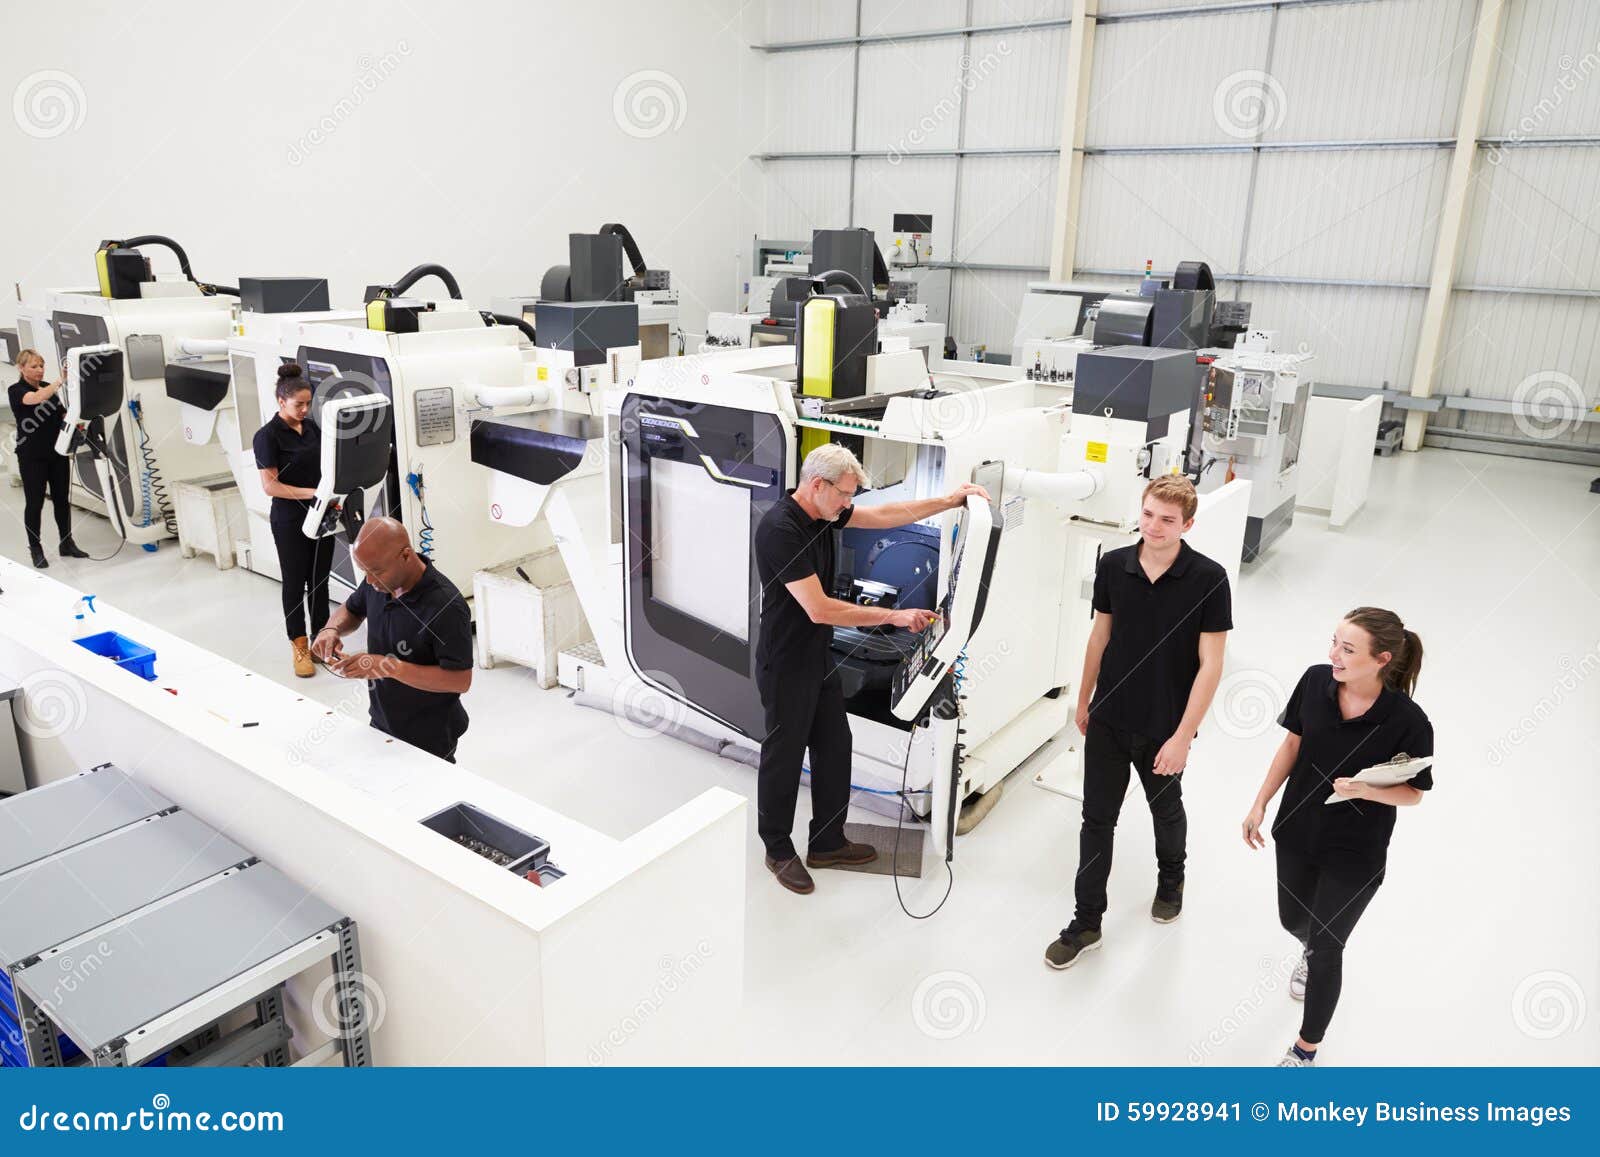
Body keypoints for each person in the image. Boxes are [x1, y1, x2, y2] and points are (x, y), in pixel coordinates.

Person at [753, 442, 989, 895]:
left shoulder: (825, 511)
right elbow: (819, 609)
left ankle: (827, 842)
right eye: (844, 494)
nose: (849, 505)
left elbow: (885, 516)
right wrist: (896, 616)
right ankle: (778, 849)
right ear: (816, 485)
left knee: (835, 747)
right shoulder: (780, 529)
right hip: (786, 662)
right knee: (784, 756)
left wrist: (950, 500)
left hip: (817, 658)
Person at [1046, 475, 1231, 969]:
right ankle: (1086, 921)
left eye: (1168, 520)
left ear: (1187, 524)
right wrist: (1083, 701)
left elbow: (1211, 664)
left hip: (1164, 726)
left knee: (1164, 811)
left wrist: (1184, 737)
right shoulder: (1113, 565)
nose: (1154, 526)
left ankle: (1172, 879)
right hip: (1109, 715)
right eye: (1148, 514)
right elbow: (1099, 637)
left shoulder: (1208, 578)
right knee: (1095, 819)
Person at [1242, 607, 1432, 1068]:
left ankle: (1304, 1051)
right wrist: (1260, 802)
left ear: (1382, 659)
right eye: (1334, 643)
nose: (1334, 655)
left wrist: (1367, 789)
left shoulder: (1410, 722)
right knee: (1294, 921)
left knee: (1328, 945)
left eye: (1348, 649)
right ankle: (1308, 948)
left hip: (1356, 851)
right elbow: (1292, 744)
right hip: (1298, 830)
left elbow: (1414, 796)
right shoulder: (1314, 681)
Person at [311, 517, 473, 762]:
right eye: (364, 571)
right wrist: (330, 629)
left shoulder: (446, 606)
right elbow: (353, 609)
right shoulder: (378, 582)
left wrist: (389, 667)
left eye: (375, 571)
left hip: (430, 738)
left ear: (406, 556)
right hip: (382, 724)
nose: (369, 581)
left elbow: (460, 680)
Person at [253, 363, 334, 677]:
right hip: (290, 519)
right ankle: (299, 645)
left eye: (308, 403)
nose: (304, 409)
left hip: (321, 513)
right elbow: (270, 485)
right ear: (280, 401)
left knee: (319, 581)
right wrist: (313, 493)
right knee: (294, 582)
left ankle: (322, 643)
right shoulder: (267, 436)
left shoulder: (313, 428)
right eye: (298, 404)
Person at [7, 349, 90, 568]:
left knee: (62, 500)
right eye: (34, 366)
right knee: (34, 503)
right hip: (32, 457)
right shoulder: (16, 390)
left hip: (56, 453)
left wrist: (76, 420)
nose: (39, 370)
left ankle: (67, 542)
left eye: (41, 365)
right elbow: (35, 399)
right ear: (21, 368)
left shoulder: (48, 389)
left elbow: (62, 414)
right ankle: (36, 549)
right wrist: (61, 380)